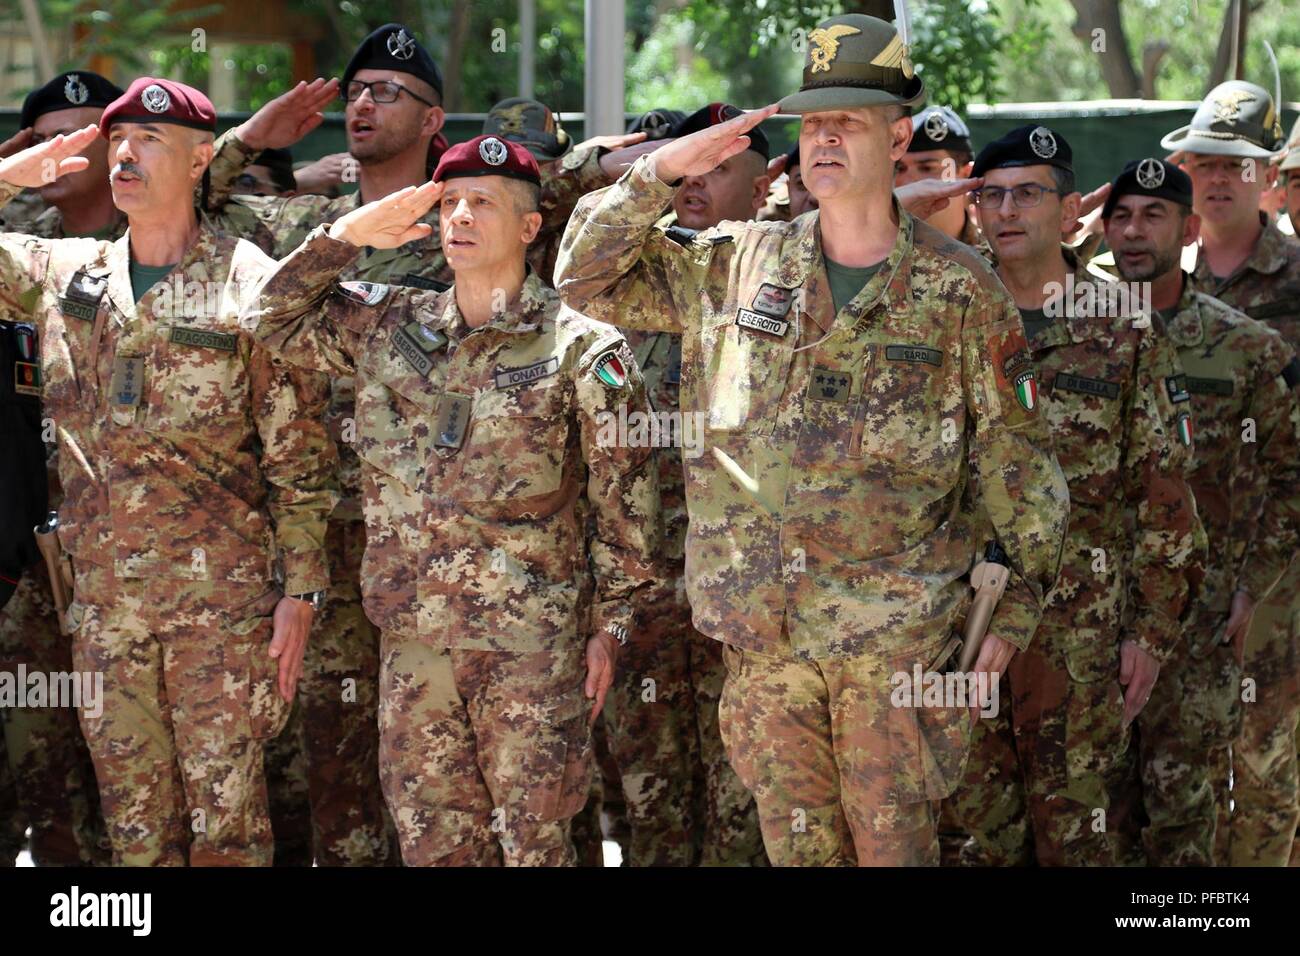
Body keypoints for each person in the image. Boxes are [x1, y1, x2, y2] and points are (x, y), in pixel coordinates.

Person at [555, 12, 1070, 866]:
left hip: (897, 656)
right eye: (812, 123)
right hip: (766, 652)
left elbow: (1021, 469)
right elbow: (586, 275)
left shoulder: (959, 293)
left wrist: (1009, 618)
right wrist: (660, 170)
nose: (823, 139)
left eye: (847, 122)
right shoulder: (736, 263)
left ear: (896, 136)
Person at [248, 134, 661, 866]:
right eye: (448, 203)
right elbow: (269, 318)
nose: (460, 217)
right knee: (432, 845)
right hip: (414, 645)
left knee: (535, 845)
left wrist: (613, 629)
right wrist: (344, 238)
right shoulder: (389, 322)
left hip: (530, 648)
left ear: (531, 227)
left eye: (483, 203)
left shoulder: (584, 350)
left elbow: (624, 506)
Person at [0, 78, 337, 866]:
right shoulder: (64, 275)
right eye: (117, 140)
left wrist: (302, 592)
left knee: (228, 832)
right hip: (106, 613)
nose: (124, 153)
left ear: (200, 161)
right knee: (135, 833)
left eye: (149, 140)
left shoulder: (252, 284)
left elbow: (300, 460)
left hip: (221, 613)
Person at [943, 125, 1206, 867]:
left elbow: (1164, 494)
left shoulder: (1122, 327)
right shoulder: (946, 315)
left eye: (1028, 193)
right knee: (974, 843)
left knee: (1082, 842)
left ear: (1068, 214)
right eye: (990, 195)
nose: (1005, 211)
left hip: (1080, 643)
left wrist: (1150, 634)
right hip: (959, 635)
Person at [1102, 156, 1300, 865]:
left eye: (1153, 215)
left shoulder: (1244, 347)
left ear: (1187, 229)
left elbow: (1289, 476)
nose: (1133, 232)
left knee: (1186, 815)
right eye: (1120, 215)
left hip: (1200, 621)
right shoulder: (1069, 328)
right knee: (1095, 818)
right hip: (1089, 619)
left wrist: (1254, 582)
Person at [1164, 79, 1300, 866]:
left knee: (1263, 759)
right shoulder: (1142, 276)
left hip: (1274, 566)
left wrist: (1265, 573)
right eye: (1205, 161)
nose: (1218, 178)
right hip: (1173, 568)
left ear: (1268, 175)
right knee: (1178, 765)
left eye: (1237, 164)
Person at [0, 71, 125, 240]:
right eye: (37, 141)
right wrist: (4, 176)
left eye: (65, 138)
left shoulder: (154, 237)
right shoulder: (20, 240)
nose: (47, 153)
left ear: (114, 146)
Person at [894, 106, 978, 246]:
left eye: (927, 168)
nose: (908, 182)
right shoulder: (873, 255)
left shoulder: (999, 258)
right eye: (900, 168)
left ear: (966, 175)